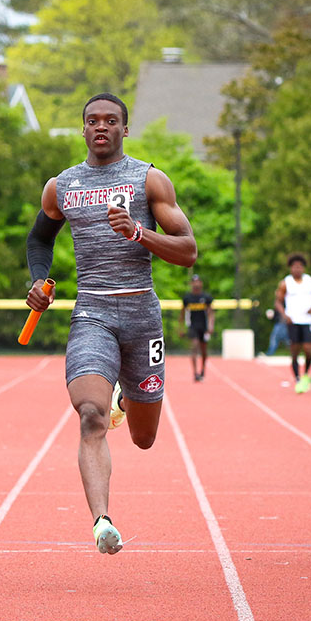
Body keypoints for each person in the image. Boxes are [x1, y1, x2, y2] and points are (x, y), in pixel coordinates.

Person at [24, 92, 197, 555]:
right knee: (90, 415)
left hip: (142, 315)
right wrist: (39, 280)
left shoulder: (149, 180)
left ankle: (129, 396)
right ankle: (102, 521)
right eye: (92, 121)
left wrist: (138, 232)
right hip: (92, 313)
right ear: (82, 130)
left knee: (143, 438)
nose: (101, 127)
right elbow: (40, 238)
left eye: (111, 120)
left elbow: (188, 250)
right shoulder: (62, 186)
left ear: (125, 128)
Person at [276, 253, 311, 393]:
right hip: (293, 320)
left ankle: (306, 373)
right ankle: (297, 378)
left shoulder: (310, 281)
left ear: (304, 268)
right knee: (294, 351)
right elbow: (277, 302)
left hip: (307, 321)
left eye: (300, 266)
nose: (297, 269)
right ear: (290, 268)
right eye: (295, 267)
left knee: (308, 350)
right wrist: (285, 315)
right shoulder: (285, 283)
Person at [181, 274, 213, 381]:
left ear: (201, 283)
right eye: (194, 282)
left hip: (203, 327)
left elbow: (210, 313)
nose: (196, 284)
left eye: (198, 281)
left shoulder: (206, 297)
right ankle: (195, 373)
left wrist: (210, 326)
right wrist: (181, 328)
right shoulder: (187, 298)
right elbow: (182, 313)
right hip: (192, 326)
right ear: (191, 284)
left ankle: (203, 370)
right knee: (194, 347)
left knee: (204, 351)